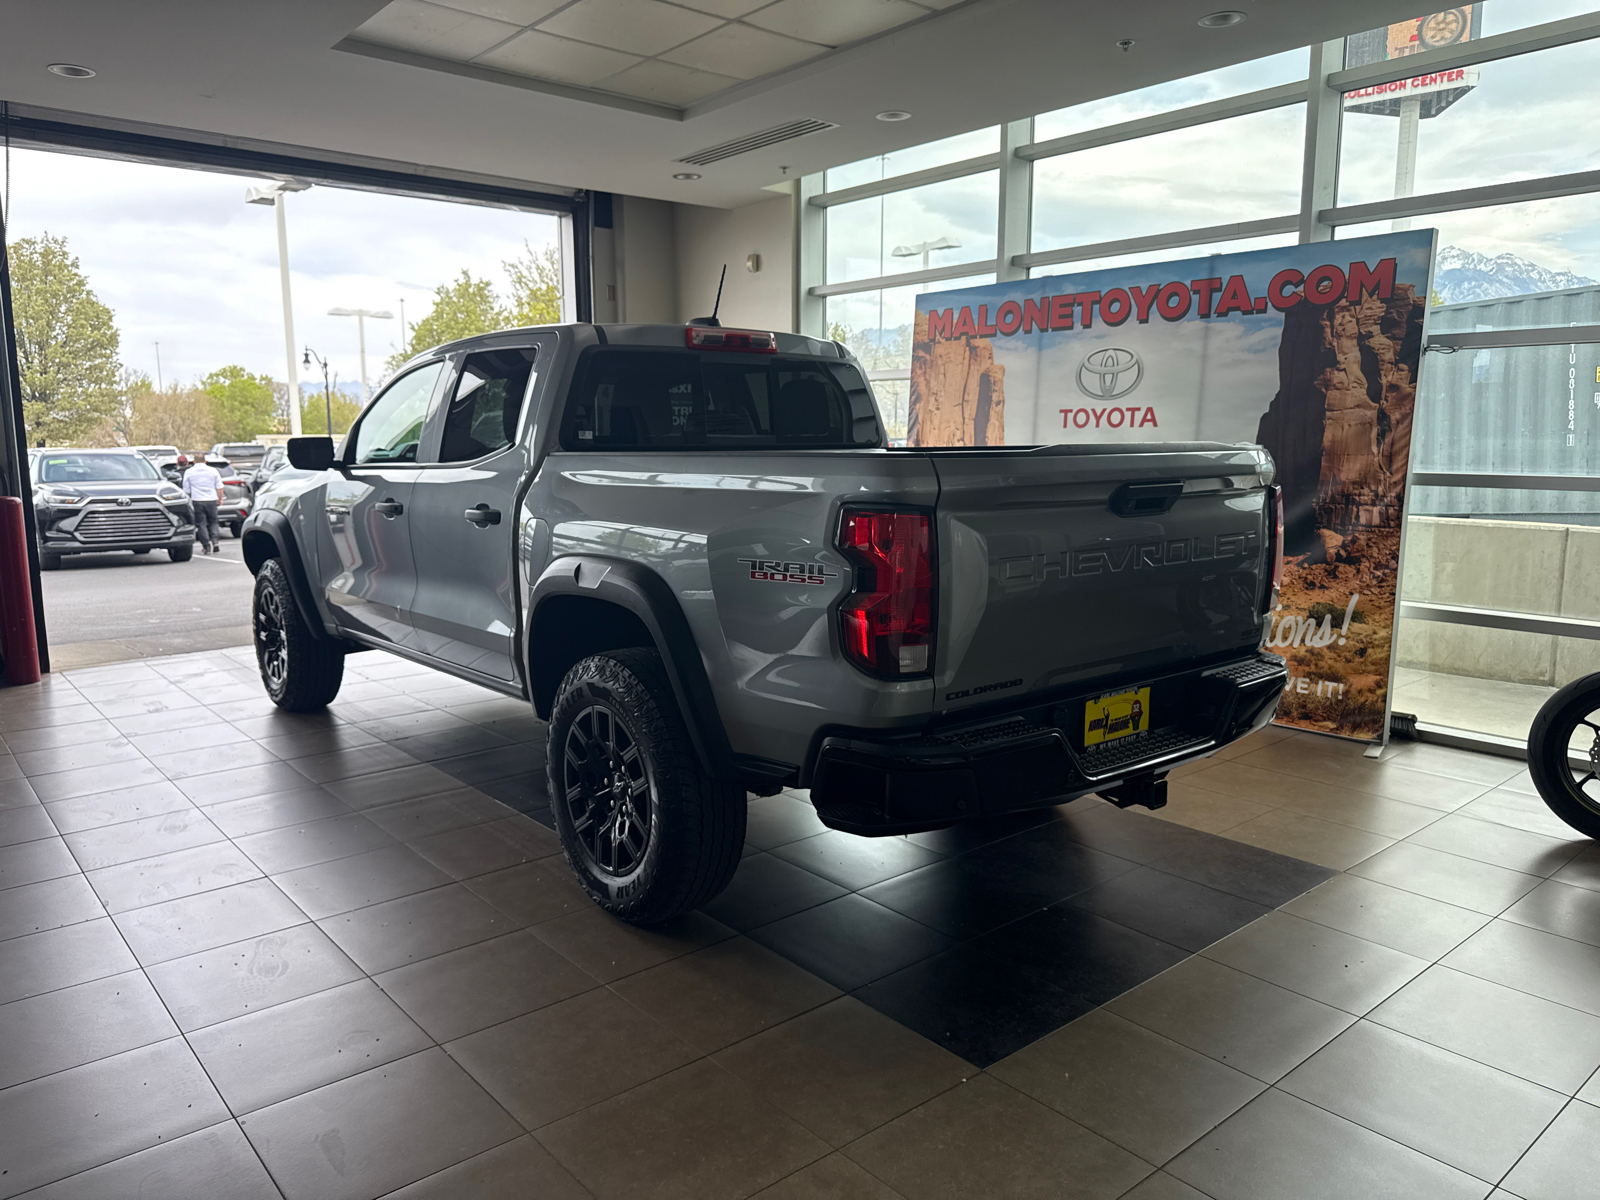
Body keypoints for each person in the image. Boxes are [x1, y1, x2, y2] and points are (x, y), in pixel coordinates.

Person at [180, 454, 224, 554]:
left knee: (201, 524)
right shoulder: (213, 471)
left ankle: (206, 546)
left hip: (197, 500)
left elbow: (186, 489)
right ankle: (215, 541)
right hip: (211, 499)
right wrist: (220, 499)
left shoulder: (189, 472)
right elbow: (220, 487)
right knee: (213, 521)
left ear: (194, 462)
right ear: (205, 461)